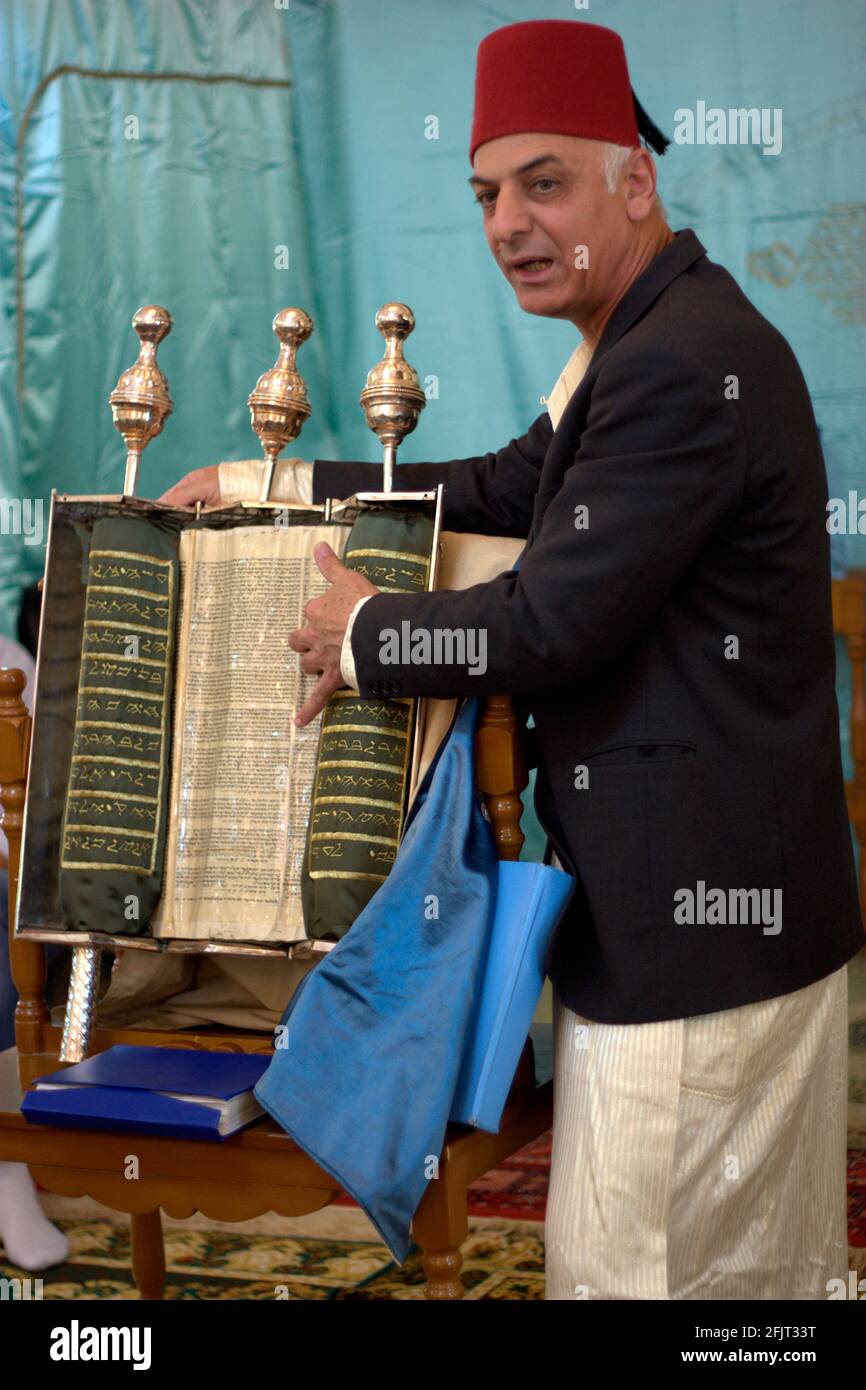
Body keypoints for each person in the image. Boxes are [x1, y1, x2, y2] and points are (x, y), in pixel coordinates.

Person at [161, 19, 863, 1299]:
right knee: (747, 1287)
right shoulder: (639, 332)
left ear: (632, 183)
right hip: (724, 921)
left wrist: (363, 633)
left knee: (633, 1278)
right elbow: (504, 487)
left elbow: (552, 624)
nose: (507, 223)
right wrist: (282, 484)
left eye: (545, 182)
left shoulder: (678, 359)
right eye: (487, 192)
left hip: (695, 943)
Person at [0, 631, 70, 1271]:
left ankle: (7, 1168)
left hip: (12, 880)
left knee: (5, 899)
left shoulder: (9, 668)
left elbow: (41, 813)